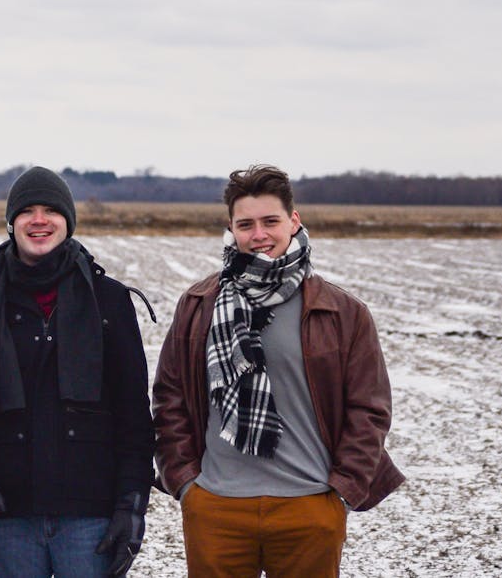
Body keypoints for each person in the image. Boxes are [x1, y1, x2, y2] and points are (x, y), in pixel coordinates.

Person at [152, 164, 404, 577]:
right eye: (245, 224)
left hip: (310, 505)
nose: (259, 234)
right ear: (231, 229)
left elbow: (369, 409)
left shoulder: (342, 311)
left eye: (270, 221)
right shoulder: (199, 305)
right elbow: (170, 397)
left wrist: (342, 490)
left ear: (294, 220)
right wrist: (186, 484)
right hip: (216, 505)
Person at [0, 167, 155, 578]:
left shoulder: (109, 302)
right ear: (11, 223)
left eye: (50, 210)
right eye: (27, 211)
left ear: (68, 221)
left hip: (89, 517)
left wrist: (131, 503)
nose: (39, 220)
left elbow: (133, 416)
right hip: (7, 515)